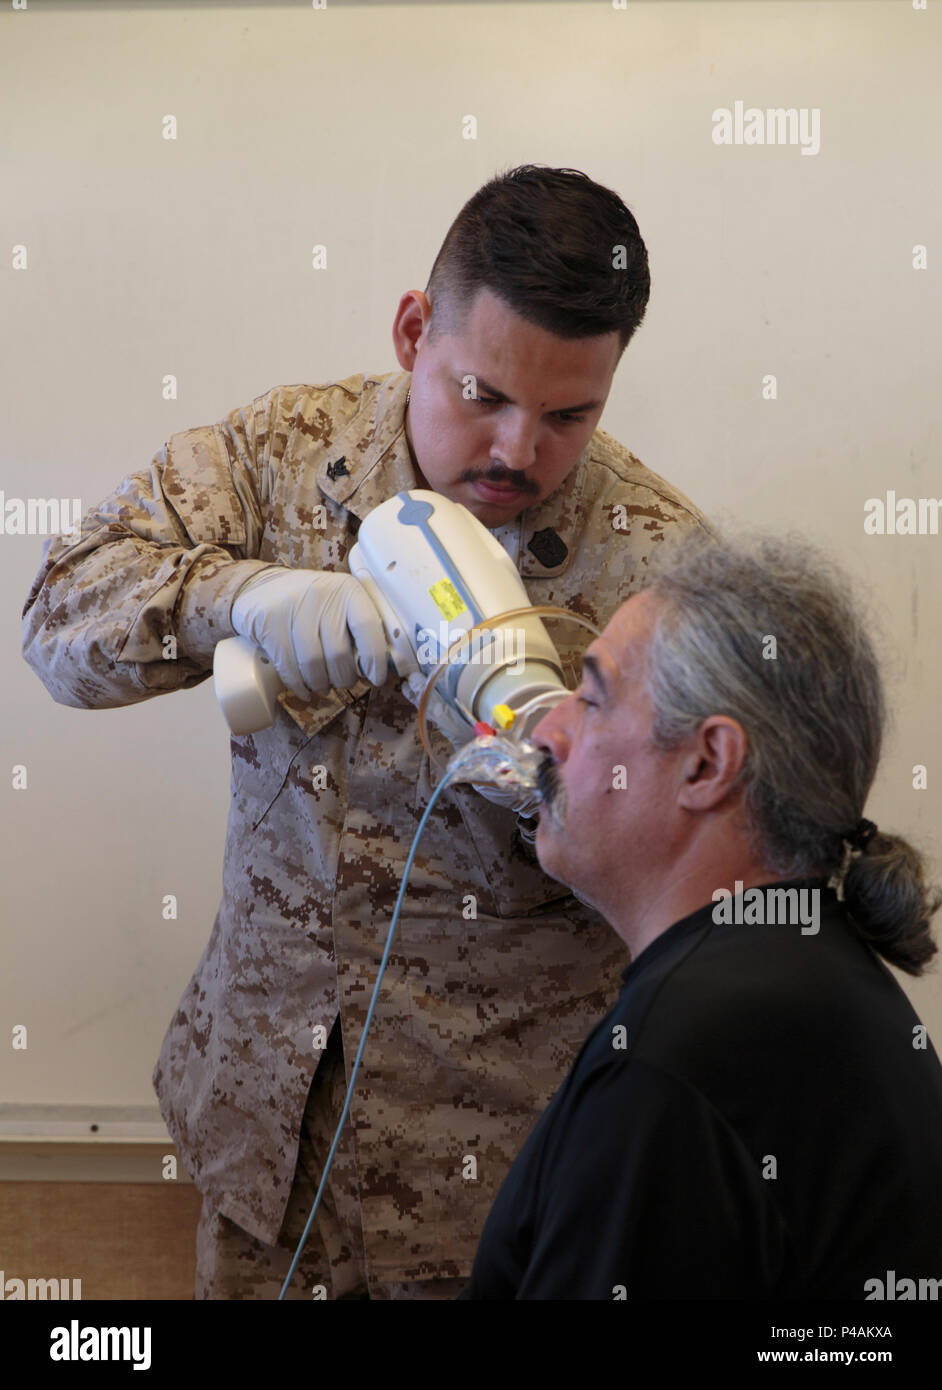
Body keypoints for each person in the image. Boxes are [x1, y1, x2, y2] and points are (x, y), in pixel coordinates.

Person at [21, 165, 708, 1300]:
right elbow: (57, 619)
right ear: (411, 330)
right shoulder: (280, 453)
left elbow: (705, 875)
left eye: (569, 415)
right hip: (266, 1139)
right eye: (482, 392)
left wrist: (573, 768)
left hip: (496, 1176)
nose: (518, 449)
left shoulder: (659, 564)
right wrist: (239, 599)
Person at [462, 531, 942, 1299]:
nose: (546, 731)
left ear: (707, 764)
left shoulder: (672, 1060)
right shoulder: (817, 968)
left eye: (590, 699)